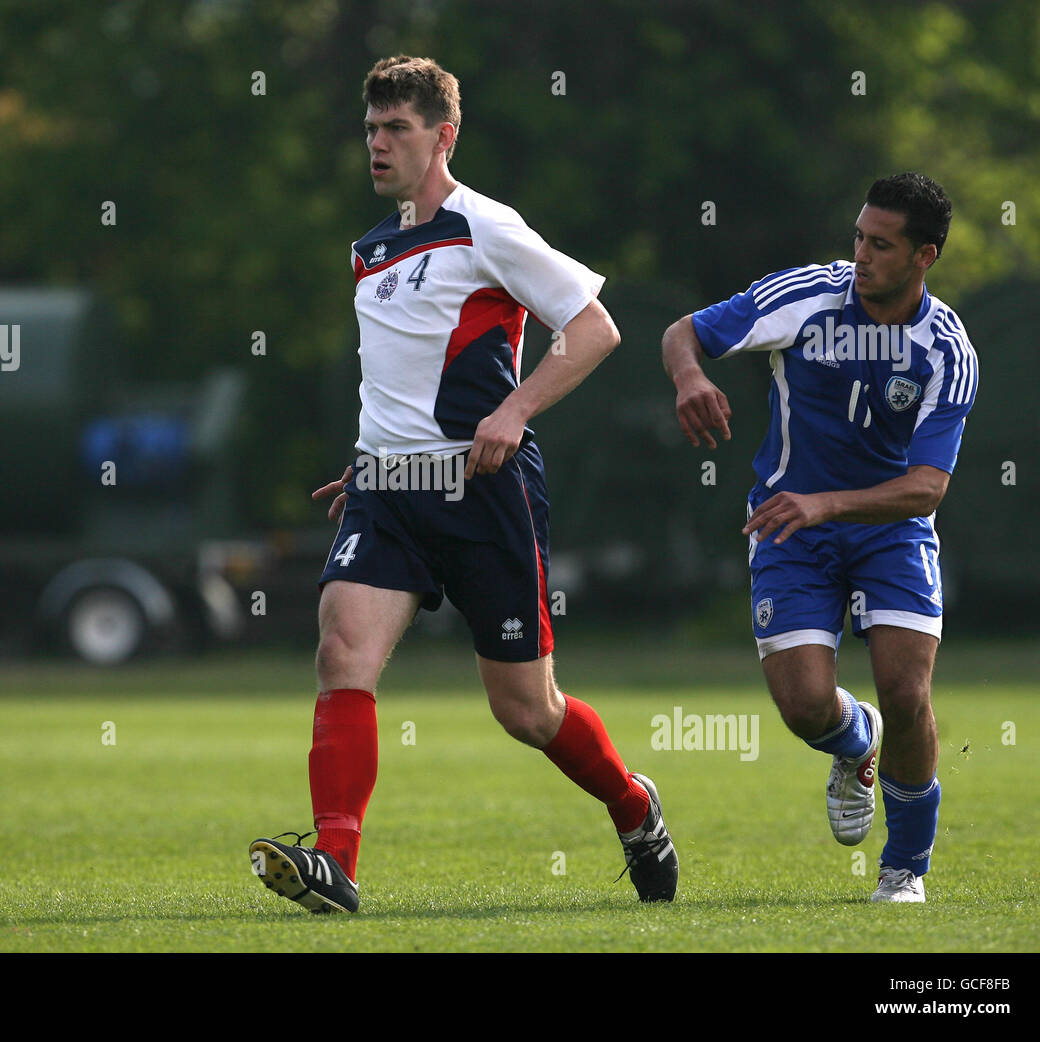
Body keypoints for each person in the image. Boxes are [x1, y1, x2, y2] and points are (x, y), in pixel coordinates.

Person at [250, 55, 677, 913]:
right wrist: (370, 457)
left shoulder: (485, 225)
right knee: (342, 654)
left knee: (526, 710)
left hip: (483, 491)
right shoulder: (370, 248)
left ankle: (635, 808)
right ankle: (336, 863)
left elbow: (594, 330)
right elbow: (399, 377)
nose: (377, 144)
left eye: (396, 128)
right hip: (385, 495)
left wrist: (515, 411)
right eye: (370, 128)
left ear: (442, 136)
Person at [661, 173, 977, 902]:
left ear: (924, 256)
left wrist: (828, 502)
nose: (861, 255)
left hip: (891, 531)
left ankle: (904, 871)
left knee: (906, 691)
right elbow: (684, 332)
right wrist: (687, 379)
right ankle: (855, 741)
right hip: (787, 527)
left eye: (882, 244)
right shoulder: (806, 296)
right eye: (859, 236)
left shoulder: (945, 348)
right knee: (805, 706)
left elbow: (929, 486)